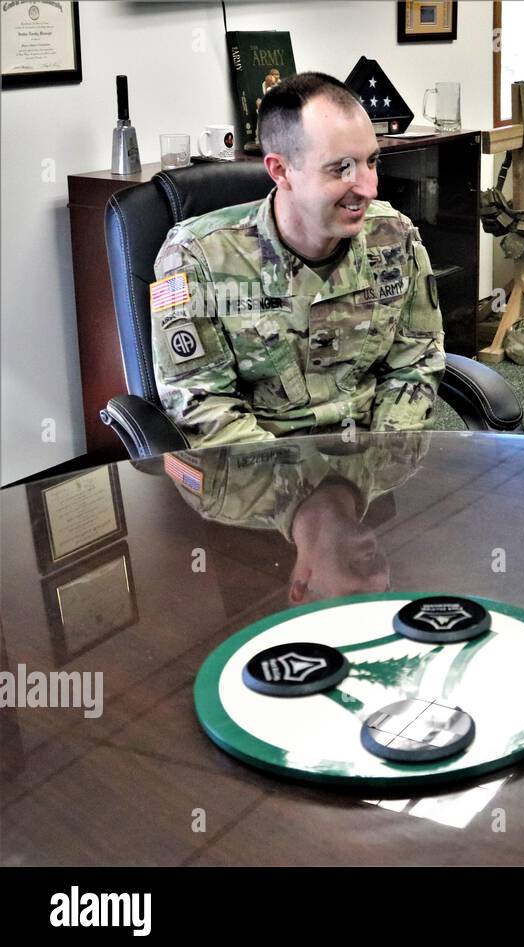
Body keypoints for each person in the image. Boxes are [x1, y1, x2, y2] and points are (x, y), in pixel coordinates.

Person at [150, 71, 444, 448]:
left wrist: (382, 464)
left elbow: (416, 363)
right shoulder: (193, 257)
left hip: (372, 469)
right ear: (280, 170)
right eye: (342, 168)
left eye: (372, 161)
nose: (369, 187)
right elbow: (201, 404)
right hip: (257, 478)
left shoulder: (393, 235)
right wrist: (294, 489)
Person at [163, 432, 432, 602]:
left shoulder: (218, 491)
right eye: (386, 590)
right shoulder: (398, 459)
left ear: (302, 588)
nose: (379, 577)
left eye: (357, 597)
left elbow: (192, 416)